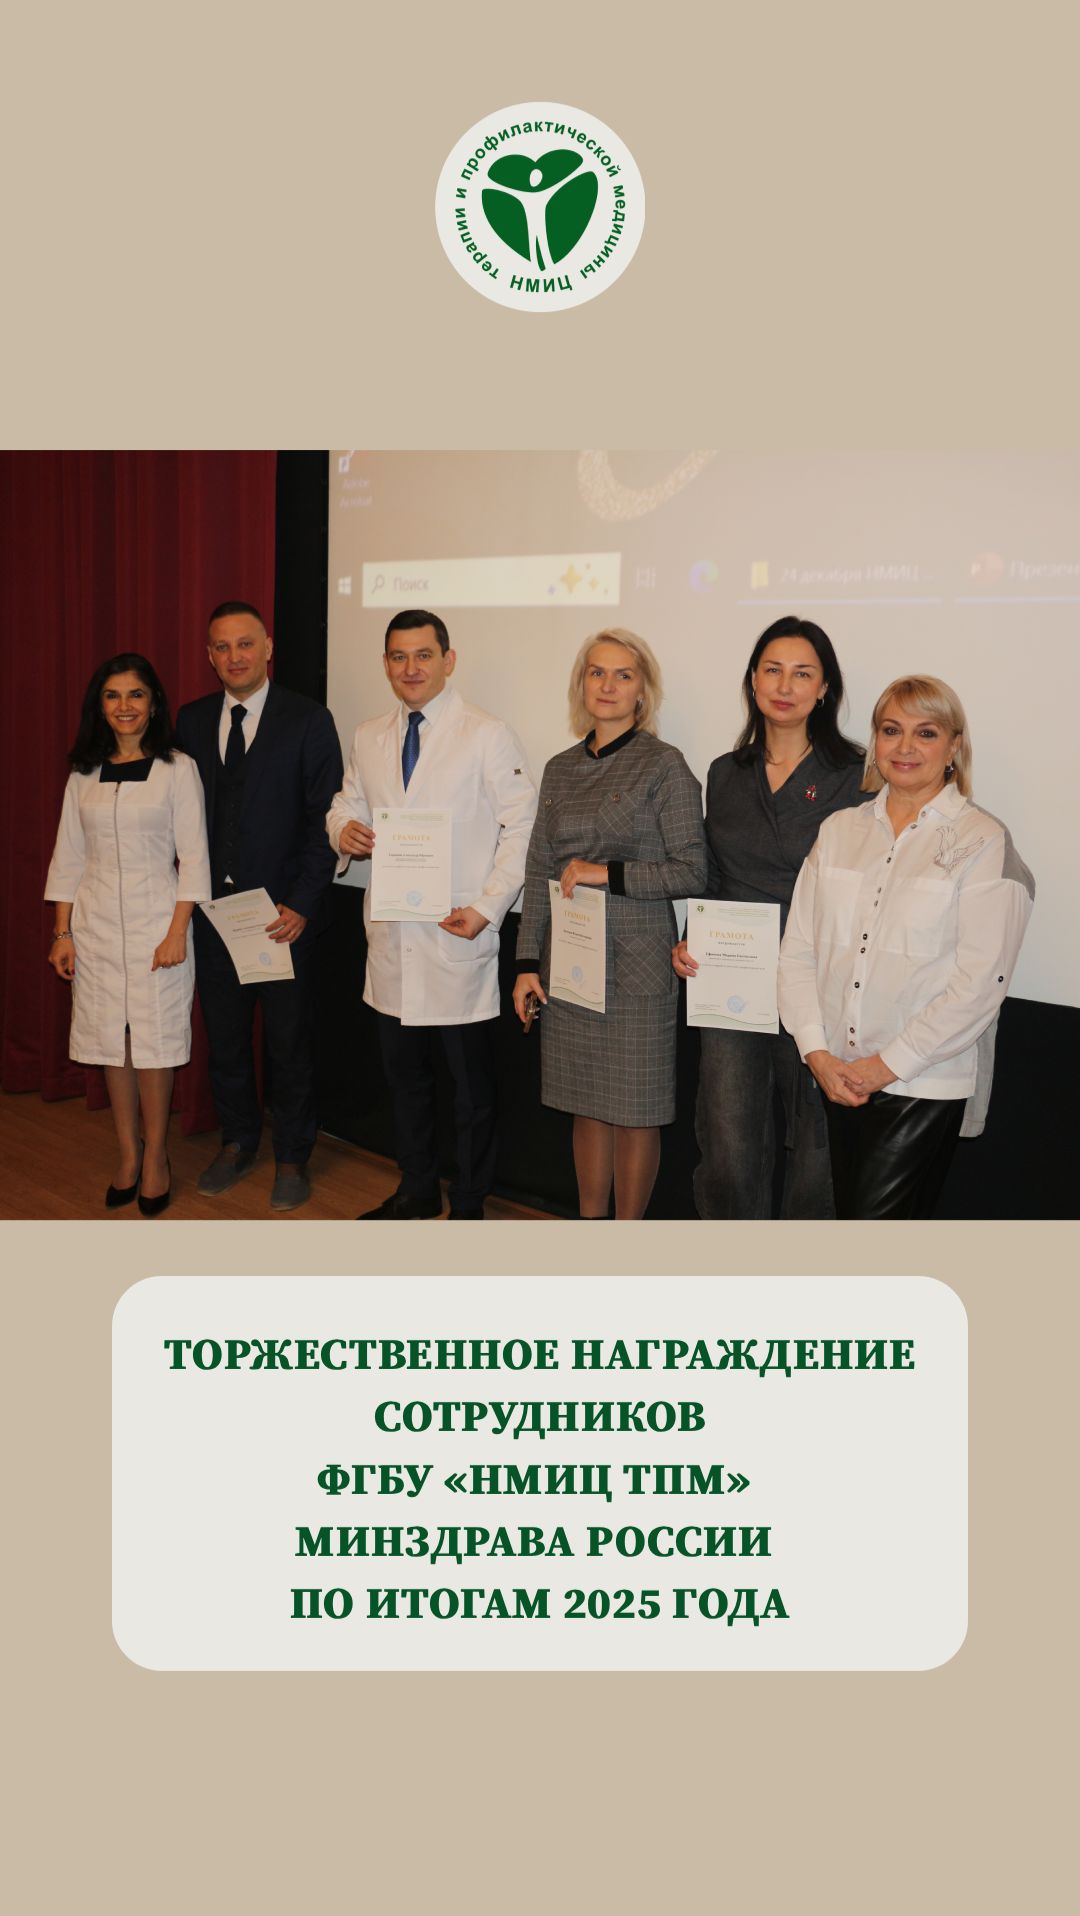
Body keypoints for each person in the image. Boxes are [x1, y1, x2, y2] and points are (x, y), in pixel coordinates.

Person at [777, 675, 1034, 1219]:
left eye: (926, 732)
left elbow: (981, 983)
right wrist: (816, 1053)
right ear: (875, 740)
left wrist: (887, 1066)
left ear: (954, 746)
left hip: (922, 1080)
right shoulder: (838, 831)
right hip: (837, 1073)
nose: (905, 746)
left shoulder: (982, 840)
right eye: (891, 730)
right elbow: (798, 950)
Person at [326, 609, 537, 1219]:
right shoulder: (369, 735)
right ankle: (415, 1190)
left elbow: (523, 827)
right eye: (399, 657)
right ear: (385, 665)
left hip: (457, 936)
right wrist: (344, 831)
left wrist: (487, 908)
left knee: (470, 1091)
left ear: (449, 660)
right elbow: (345, 802)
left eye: (423, 655)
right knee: (405, 1082)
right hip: (393, 938)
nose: (411, 668)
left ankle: (468, 1202)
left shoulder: (486, 733)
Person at [672, 617, 866, 1218]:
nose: (785, 686)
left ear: (824, 688)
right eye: (773, 670)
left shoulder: (857, 775)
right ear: (753, 680)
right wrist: (689, 937)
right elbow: (715, 872)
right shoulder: (725, 773)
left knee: (816, 1145)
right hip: (733, 976)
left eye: (802, 673)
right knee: (728, 1143)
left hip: (816, 979)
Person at [514, 629, 706, 1219]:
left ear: (642, 690)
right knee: (585, 1104)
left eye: (624, 674)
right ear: (581, 684)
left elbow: (693, 870)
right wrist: (526, 963)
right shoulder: (559, 768)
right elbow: (539, 870)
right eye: (597, 672)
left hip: (638, 969)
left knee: (634, 1111)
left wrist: (608, 873)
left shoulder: (664, 765)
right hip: (570, 963)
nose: (608, 685)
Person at [176, 601, 343, 1212]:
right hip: (215, 919)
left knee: (288, 1045)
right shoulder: (191, 720)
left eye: (245, 643)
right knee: (225, 1042)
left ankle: (292, 1156)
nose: (235, 656)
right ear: (209, 656)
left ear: (268, 648)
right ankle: (238, 1140)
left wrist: (301, 904)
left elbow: (326, 820)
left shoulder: (309, 720)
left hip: (282, 921)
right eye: (222, 647)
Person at [44, 653, 210, 1217]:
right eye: (112, 695)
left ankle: (157, 1156)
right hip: (93, 927)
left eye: (135, 694)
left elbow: (194, 858)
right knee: (110, 1040)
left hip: (156, 923)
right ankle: (127, 1153)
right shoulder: (84, 773)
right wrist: (62, 932)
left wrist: (177, 931)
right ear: (100, 705)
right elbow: (68, 857)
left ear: (154, 703)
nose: (124, 706)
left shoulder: (177, 769)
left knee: (153, 1043)